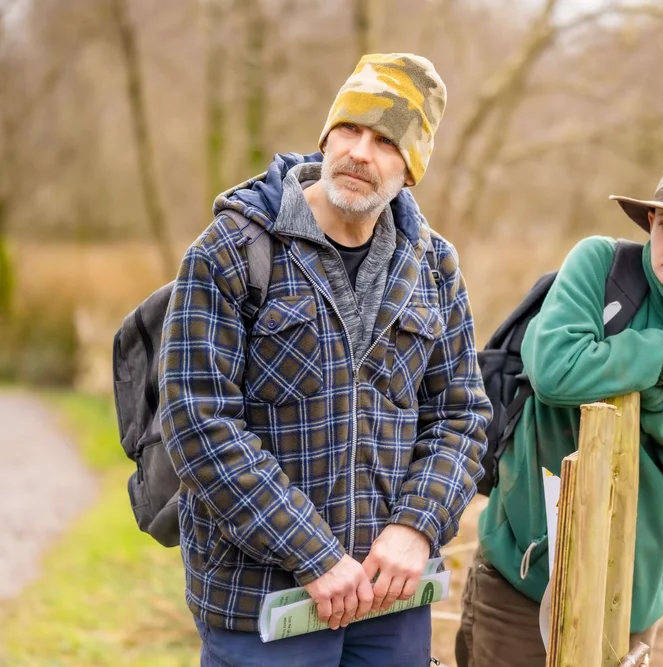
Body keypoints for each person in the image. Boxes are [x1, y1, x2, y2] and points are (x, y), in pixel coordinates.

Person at [159, 52, 491, 667]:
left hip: (390, 601)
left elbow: (461, 416)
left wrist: (417, 526)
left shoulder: (434, 266)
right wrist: (314, 554)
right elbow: (197, 423)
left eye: (386, 141)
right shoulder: (232, 251)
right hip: (261, 602)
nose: (361, 152)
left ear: (411, 169)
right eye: (350, 130)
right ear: (326, 137)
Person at [455, 153, 663, 665]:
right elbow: (556, 373)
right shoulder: (599, 268)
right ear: (651, 222)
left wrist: (655, 401)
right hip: (522, 581)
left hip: (632, 604)